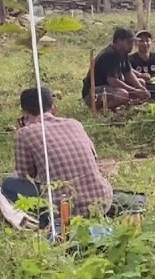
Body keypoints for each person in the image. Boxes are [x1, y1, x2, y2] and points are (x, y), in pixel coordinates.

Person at [15, 86, 113, 215]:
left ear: (24, 113)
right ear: (54, 108)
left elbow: (25, 178)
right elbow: (94, 157)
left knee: (9, 186)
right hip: (103, 200)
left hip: (64, 209)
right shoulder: (75, 123)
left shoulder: (24, 134)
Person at [82, 27, 150, 110]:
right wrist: (135, 90)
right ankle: (101, 110)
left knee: (141, 82)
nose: (132, 45)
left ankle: (126, 107)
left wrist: (140, 88)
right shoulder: (109, 55)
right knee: (122, 94)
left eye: (132, 42)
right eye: (129, 42)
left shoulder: (123, 53)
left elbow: (128, 73)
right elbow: (113, 81)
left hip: (109, 88)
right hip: (93, 92)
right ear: (119, 41)